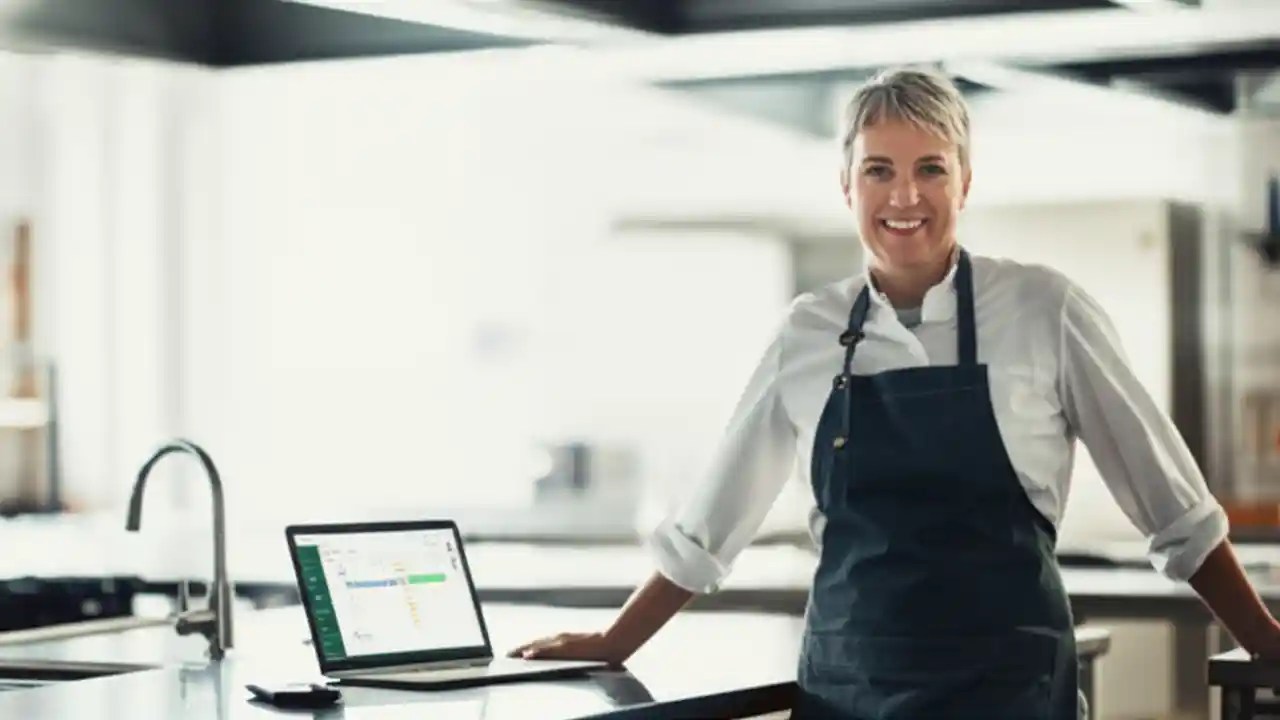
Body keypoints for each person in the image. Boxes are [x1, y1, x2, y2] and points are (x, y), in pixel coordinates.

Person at [509, 66, 1280, 719]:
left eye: (930, 168)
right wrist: (617, 640)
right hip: (849, 694)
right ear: (846, 184)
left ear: (965, 181)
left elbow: (1172, 507)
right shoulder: (807, 333)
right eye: (879, 168)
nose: (904, 195)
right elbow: (712, 524)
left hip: (1005, 693)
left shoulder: (1046, 309)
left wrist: (1268, 641)